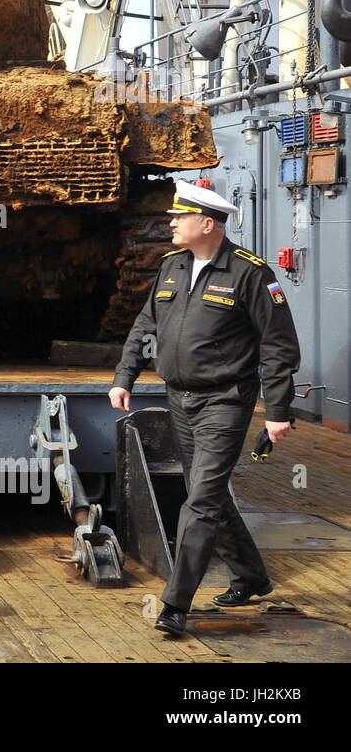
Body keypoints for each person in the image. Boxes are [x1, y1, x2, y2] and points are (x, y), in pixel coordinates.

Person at [109, 180, 301, 636]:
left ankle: (176, 604)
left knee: (199, 503)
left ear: (207, 223)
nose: (172, 222)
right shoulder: (172, 266)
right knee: (206, 493)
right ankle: (251, 577)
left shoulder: (250, 274)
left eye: (180, 216)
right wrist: (125, 374)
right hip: (180, 399)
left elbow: (279, 345)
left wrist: (277, 408)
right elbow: (145, 323)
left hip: (225, 401)